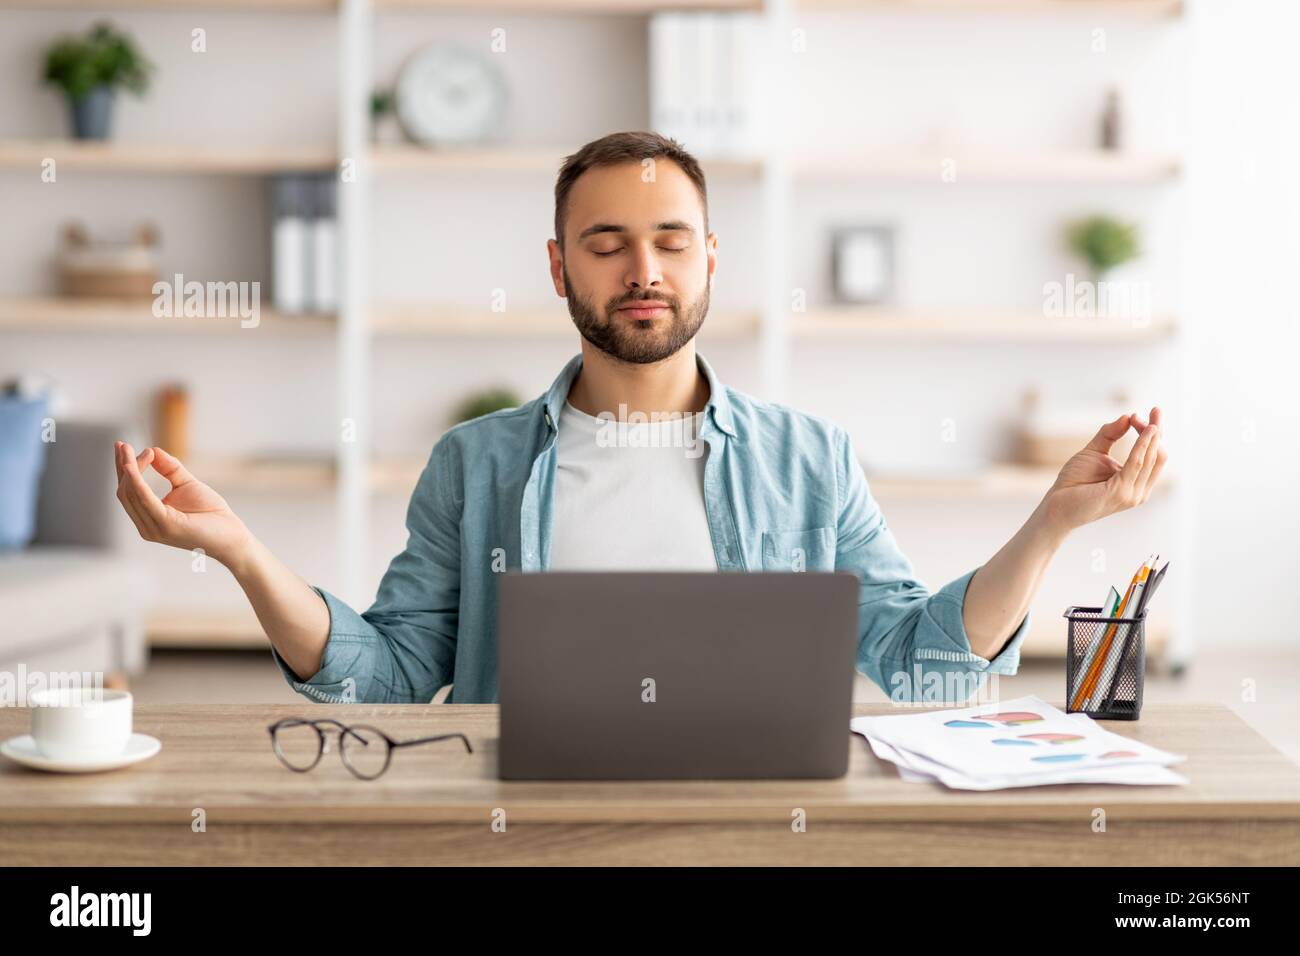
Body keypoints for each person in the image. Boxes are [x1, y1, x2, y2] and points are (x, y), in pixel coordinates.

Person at [113, 130, 1167, 704]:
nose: (642, 269)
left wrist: (1051, 523)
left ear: (712, 258)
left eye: (671, 237)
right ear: (559, 264)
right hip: (521, 822)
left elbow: (922, 663)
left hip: (756, 823)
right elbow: (382, 675)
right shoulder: (473, 465)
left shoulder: (810, 458)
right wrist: (245, 554)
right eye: (605, 240)